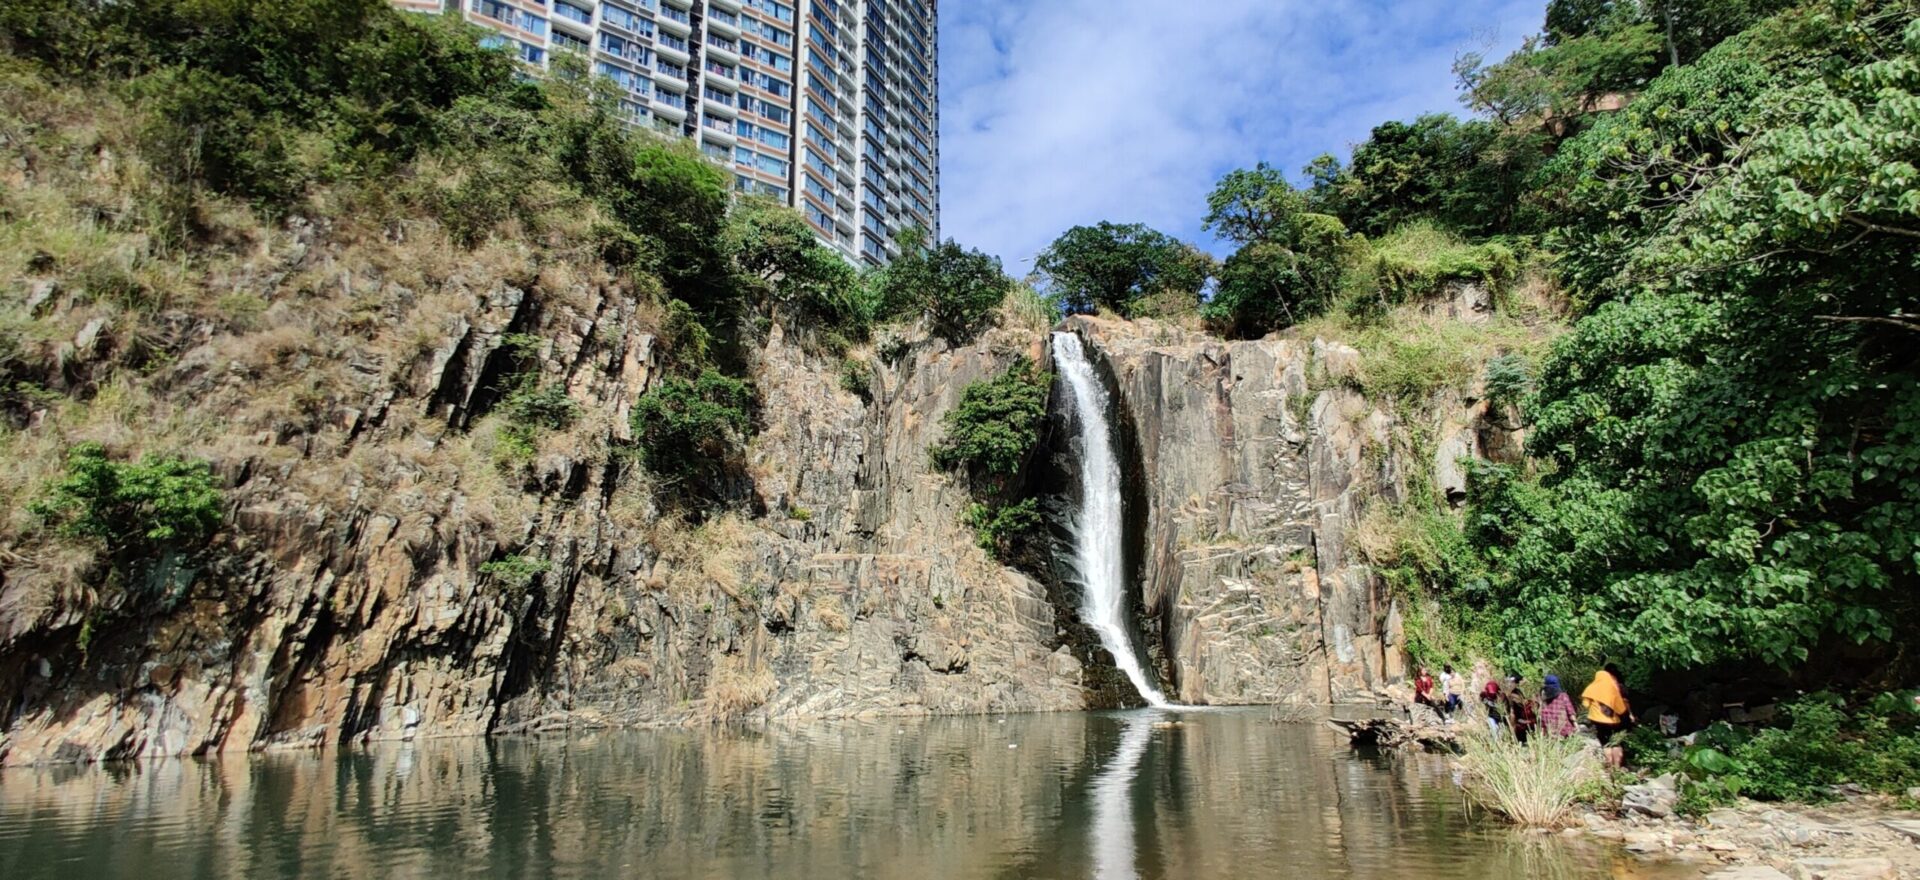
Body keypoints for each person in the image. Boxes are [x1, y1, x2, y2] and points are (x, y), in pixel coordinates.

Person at [1581, 663, 1635, 768]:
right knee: (1615, 743)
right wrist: (1627, 720)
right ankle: (1617, 767)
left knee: (1605, 743)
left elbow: (1585, 704)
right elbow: (1621, 709)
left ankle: (1609, 766)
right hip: (1613, 722)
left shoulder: (1592, 687)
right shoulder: (1612, 688)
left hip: (1597, 721)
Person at [1505, 675, 1538, 743]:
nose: (1510, 684)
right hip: (1516, 716)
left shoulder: (1517, 692)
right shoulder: (1511, 694)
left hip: (1520, 716)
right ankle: (1514, 740)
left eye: (1512, 683)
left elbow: (1523, 702)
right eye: (1510, 683)